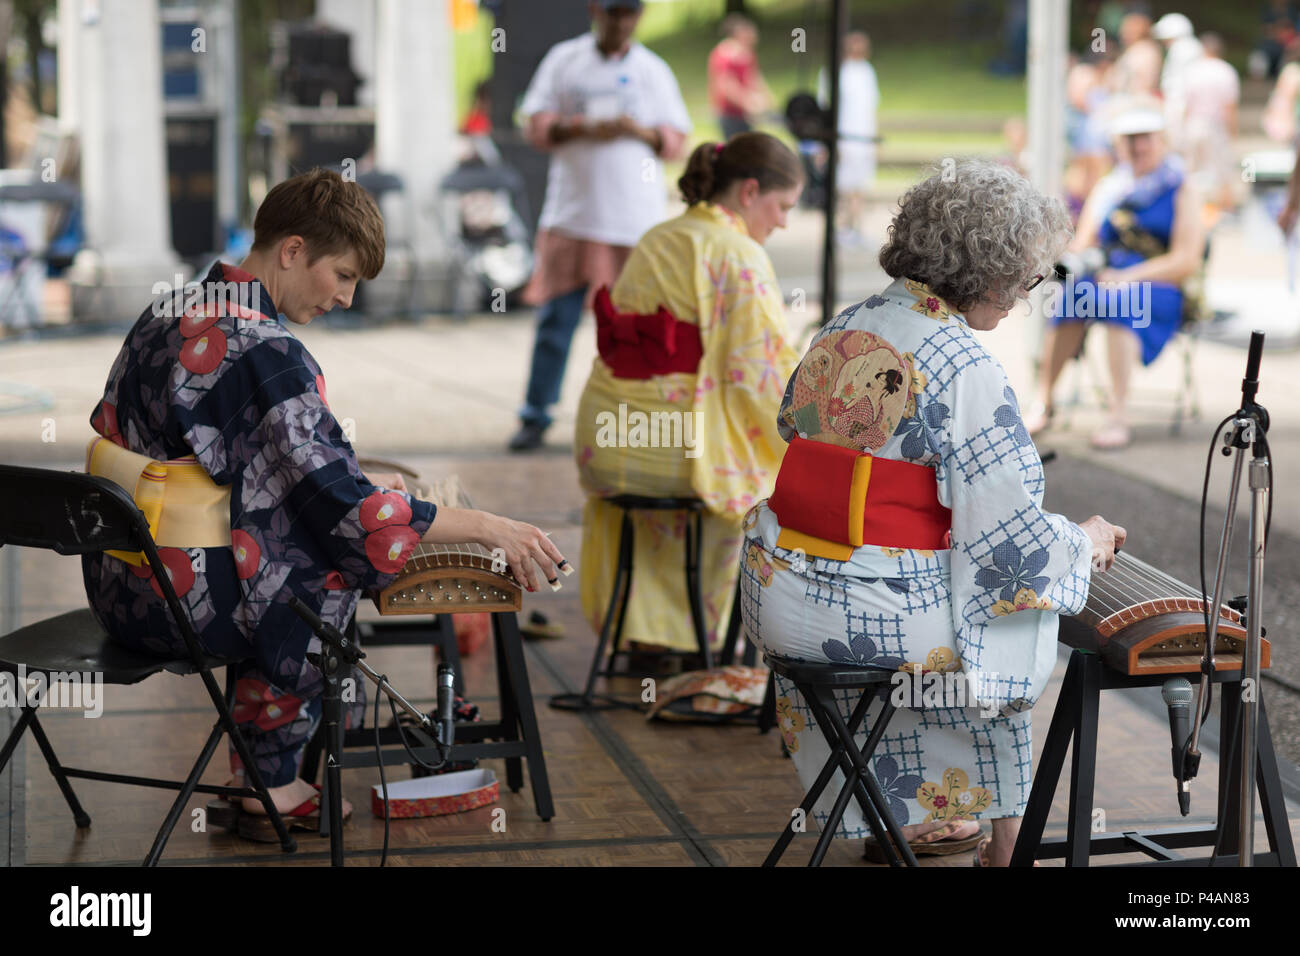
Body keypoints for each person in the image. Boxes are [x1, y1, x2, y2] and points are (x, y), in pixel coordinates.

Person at [82, 168, 566, 838]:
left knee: (298, 533)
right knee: (323, 562)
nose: (344, 297)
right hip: (180, 602)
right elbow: (350, 515)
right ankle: (270, 781)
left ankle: (259, 773)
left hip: (117, 577)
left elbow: (196, 454)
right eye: (341, 275)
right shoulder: (266, 350)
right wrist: (489, 527)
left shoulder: (169, 308)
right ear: (291, 250)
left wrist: (346, 491)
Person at [741, 158, 1127, 866]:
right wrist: (1085, 540)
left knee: (957, 587)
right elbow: (1011, 545)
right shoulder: (963, 365)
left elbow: (797, 432)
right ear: (984, 275)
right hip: (859, 619)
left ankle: (903, 807)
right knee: (1014, 611)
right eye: (1024, 280)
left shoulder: (847, 324)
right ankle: (1006, 843)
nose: (1021, 298)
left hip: (780, 589)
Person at [575, 133, 801, 660]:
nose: (785, 222)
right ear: (749, 191)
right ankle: (716, 650)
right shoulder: (737, 251)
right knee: (771, 490)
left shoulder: (658, 236)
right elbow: (760, 372)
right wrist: (817, 426)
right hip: (672, 447)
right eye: (783, 206)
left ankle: (653, 636)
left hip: (603, 440)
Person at [507, 0, 691, 452]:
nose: (620, 21)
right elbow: (535, 125)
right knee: (557, 321)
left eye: (628, 13)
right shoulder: (564, 60)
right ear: (595, 11)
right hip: (575, 216)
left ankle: (630, 416)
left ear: (639, 16)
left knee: (631, 326)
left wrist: (636, 131)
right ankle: (537, 412)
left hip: (633, 221)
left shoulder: (653, 69)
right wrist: (582, 127)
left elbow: (675, 141)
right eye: (613, 13)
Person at [1028, 98, 1206, 450]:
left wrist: (1131, 277)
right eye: (1130, 139)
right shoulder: (1110, 187)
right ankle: (1043, 400)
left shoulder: (1181, 186)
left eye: (1146, 137)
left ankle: (1118, 414)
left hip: (1160, 285)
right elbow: (1084, 244)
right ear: (1118, 145)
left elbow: (1186, 260)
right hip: (1107, 278)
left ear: (1161, 140)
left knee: (1119, 300)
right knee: (1068, 298)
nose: (1138, 146)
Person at [817, 30, 879, 247]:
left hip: (863, 138)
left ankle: (855, 227)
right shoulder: (834, 72)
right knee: (842, 187)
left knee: (859, 187)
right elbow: (825, 108)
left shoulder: (866, 71)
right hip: (842, 138)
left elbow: (870, 108)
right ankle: (841, 228)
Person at [1181, 33, 1241, 213]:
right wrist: (1233, 131)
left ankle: (1190, 209)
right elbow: (1229, 106)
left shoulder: (1193, 70)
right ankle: (1225, 209)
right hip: (1216, 125)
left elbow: (1187, 103)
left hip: (1194, 123)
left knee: (1191, 170)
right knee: (1223, 171)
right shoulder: (1226, 71)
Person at [707, 13, 773, 139]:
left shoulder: (747, 54)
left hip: (744, 114)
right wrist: (747, 102)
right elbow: (726, 85)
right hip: (729, 114)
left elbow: (754, 77)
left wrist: (765, 97)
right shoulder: (725, 54)